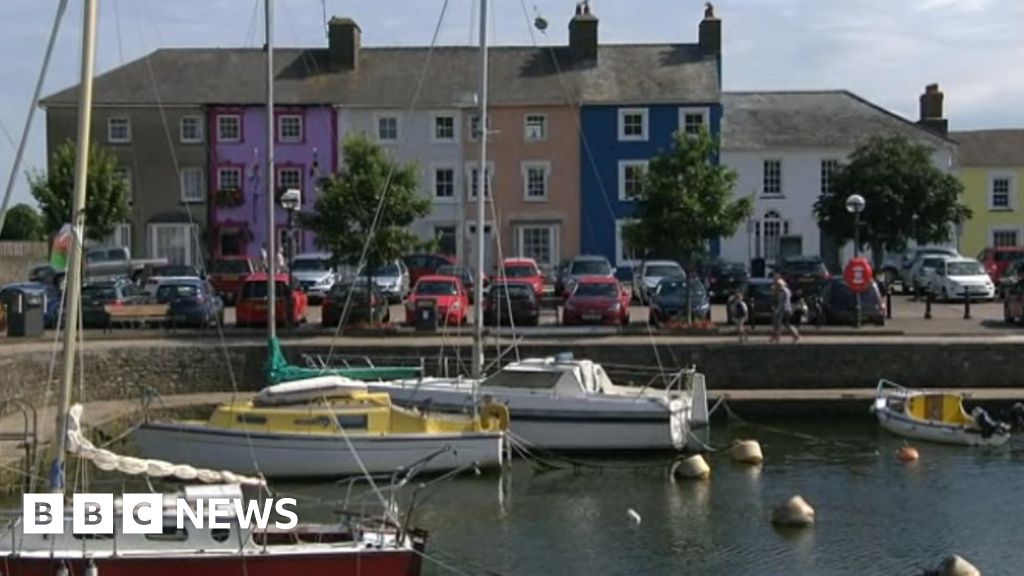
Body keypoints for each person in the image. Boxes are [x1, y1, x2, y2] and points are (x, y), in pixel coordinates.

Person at [771, 275, 799, 343]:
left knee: (781, 324)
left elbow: (782, 303)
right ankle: (776, 337)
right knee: (782, 324)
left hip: (784, 310)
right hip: (784, 309)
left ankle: (778, 338)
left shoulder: (783, 292)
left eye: (777, 285)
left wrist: (777, 310)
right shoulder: (785, 291)